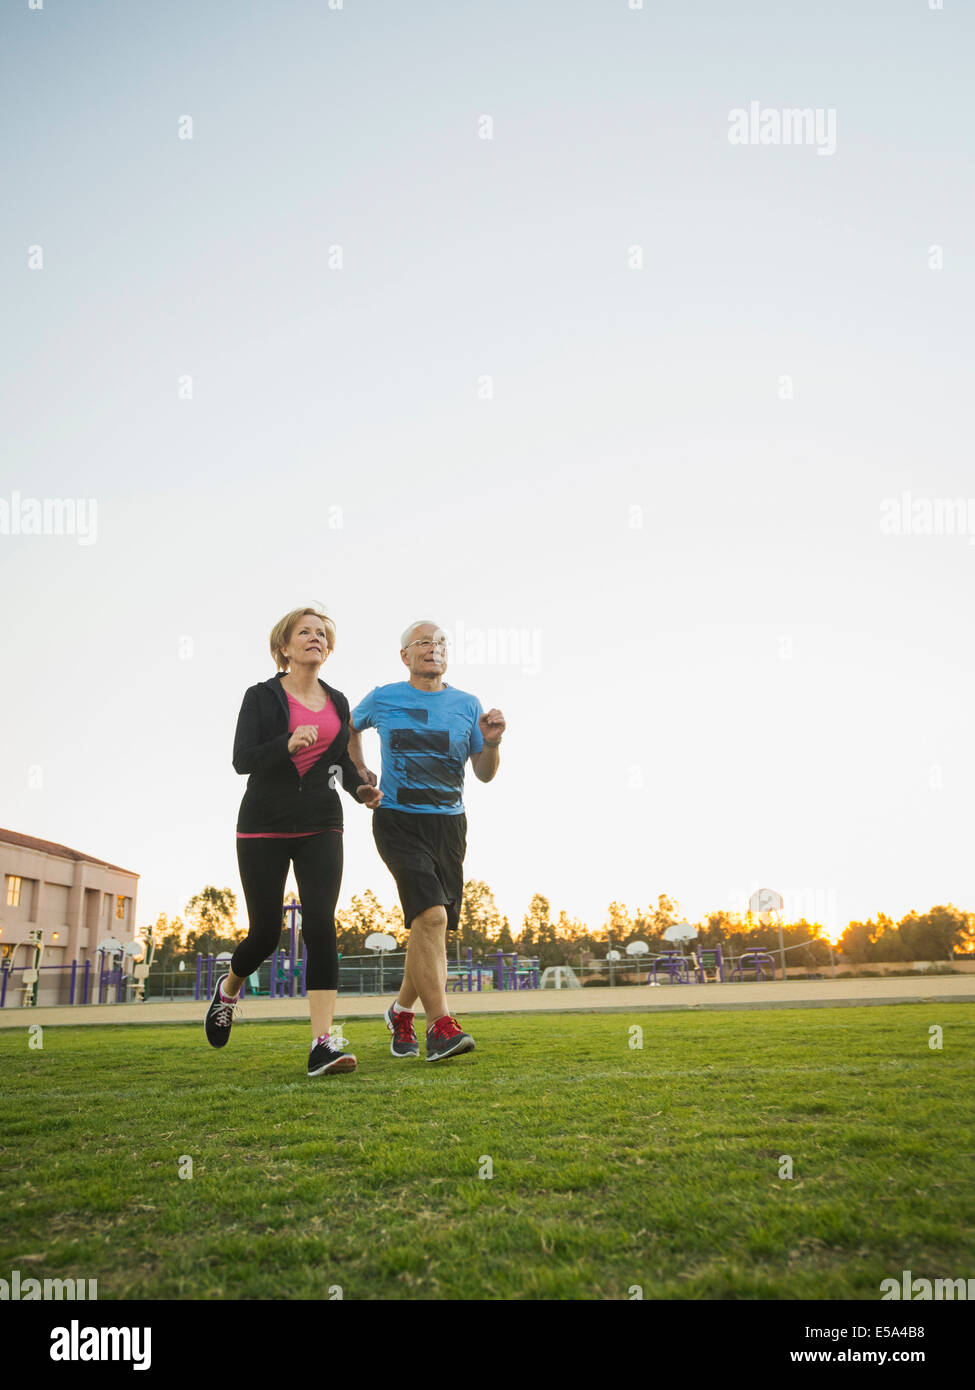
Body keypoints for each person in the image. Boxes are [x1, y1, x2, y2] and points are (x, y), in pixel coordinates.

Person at [205, 606, 382, 1076]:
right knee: (265, 933)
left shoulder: (338, 701)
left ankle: (322, 1043)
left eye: (322, 633)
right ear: (284, 646)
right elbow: (243, 759)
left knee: (322, 924)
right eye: (305, 632)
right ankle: (228, 989)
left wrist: (360, 787)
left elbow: (341, 764)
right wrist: (285, 744)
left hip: (322, 823)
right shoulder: (260, 696)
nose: (315, 638)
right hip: (263, 824)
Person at [349, 620, 505, 1061]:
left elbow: (484, 772)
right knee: (431, 916)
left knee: (428, 927)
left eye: (439, 643)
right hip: (397, 819)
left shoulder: (467, 705)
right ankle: (441, 1026)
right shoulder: (383, 697)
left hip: (450, 826)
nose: (432, 649)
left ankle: (401, 1013)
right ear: (405, 656)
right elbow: (348, 727)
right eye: (423, 643)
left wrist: (492, 743)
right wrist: (360, 773)